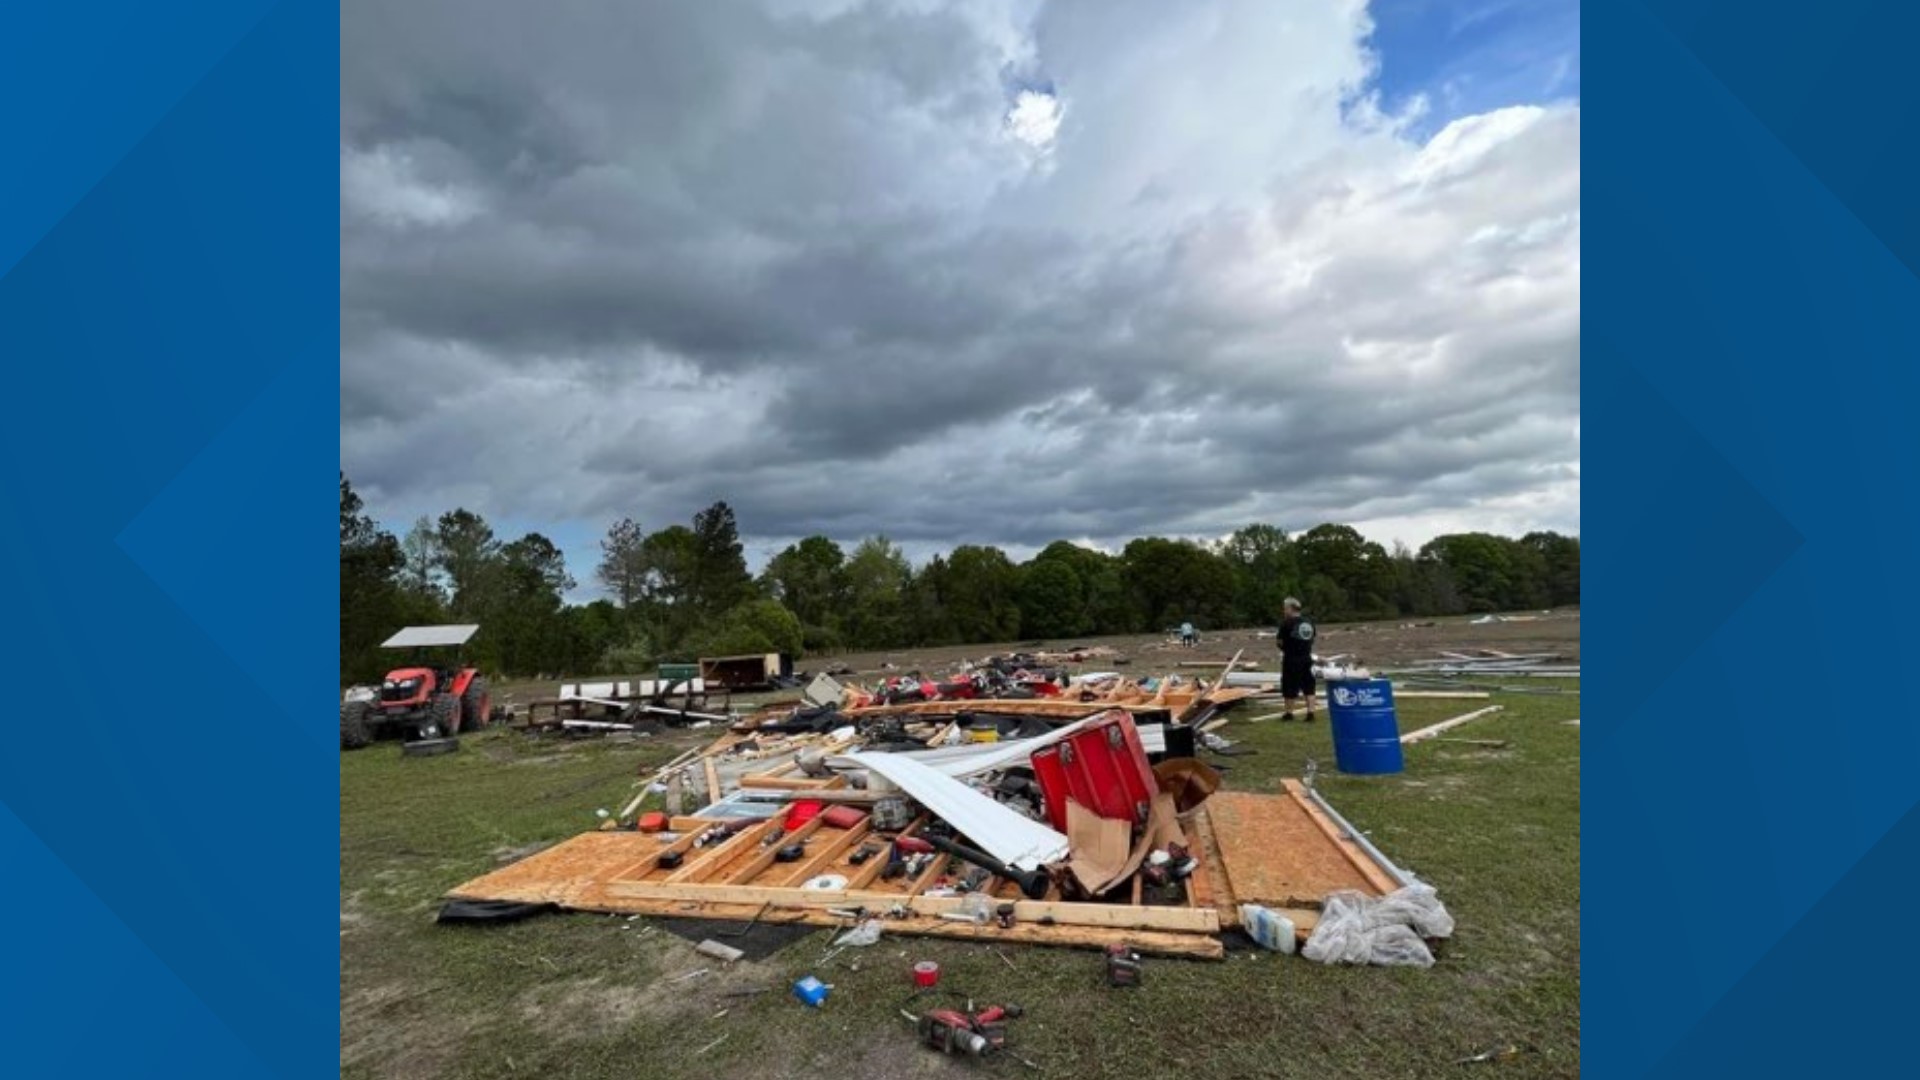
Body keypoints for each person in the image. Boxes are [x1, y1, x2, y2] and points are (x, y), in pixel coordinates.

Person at [1276, 597, 1317, 721]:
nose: (1284, 611)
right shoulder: (1309, 622)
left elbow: (1279, 642)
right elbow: (1312, 639)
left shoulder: (1286, 623)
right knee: (1309, 685)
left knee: (1289, 685)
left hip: (1291, 658)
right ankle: (1311, 713)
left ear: (1291, 608)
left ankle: (1289, 713)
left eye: (1285, 608)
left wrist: (1285, 648)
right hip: (1307, 658)